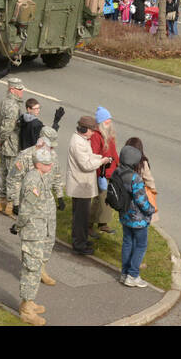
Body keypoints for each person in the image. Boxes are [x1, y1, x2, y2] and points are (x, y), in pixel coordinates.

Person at [14, 146, 57, 325]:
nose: (51, 165)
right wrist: (18, 226)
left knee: (35, 267)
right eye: (47, 163)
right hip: (32, 232)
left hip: (38, 230)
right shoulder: (33, 180)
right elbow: (26, 208)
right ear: (39, 164)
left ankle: (29, 302)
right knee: (31, 270)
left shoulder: (39, 176)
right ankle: (26, 310)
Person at [66, 115, 110, 255]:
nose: (93, 133)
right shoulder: (78, 143)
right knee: (80, 217)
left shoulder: (83, 140)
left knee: (82, 216)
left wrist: (101, 158)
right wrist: (102, 162)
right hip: (80, 186)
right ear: (84, 129)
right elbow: (86, 164)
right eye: (91, 130)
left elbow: (89, 156)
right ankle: (79, 244)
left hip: (83, 185)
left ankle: (82, 239)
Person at [113, 143, 156, 287]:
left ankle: (124, 273)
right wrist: (151, 210)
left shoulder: (117, 172)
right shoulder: (135, 178)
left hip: (124, 215)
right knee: (141, 245)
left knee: (127, 243)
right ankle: (133, 275)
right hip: (138, 219)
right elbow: (141, 200)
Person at [0, 77, 26, 214]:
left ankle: (1, 201)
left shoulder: (4, 102)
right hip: (11, 145)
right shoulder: (12, 106)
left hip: (4, 143)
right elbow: (8, 127)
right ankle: (10, 205)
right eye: (19, 89)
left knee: (3, 172)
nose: (22, 91)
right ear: (12, 89)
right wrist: (0, 139)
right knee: (12, 175)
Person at [88, 107, 119, 237]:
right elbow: (95, 155)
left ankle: (101, 223)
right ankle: (90, 224)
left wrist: (118, 166)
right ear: (101, 122)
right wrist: (100, 170)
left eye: (109, 119)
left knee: (104, 198)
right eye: (107, 120)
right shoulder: (96, 136)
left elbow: (114, 152)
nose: (109, 122)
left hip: (110, 171)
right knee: (101, 199)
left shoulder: (108, 135)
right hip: (101, 172)